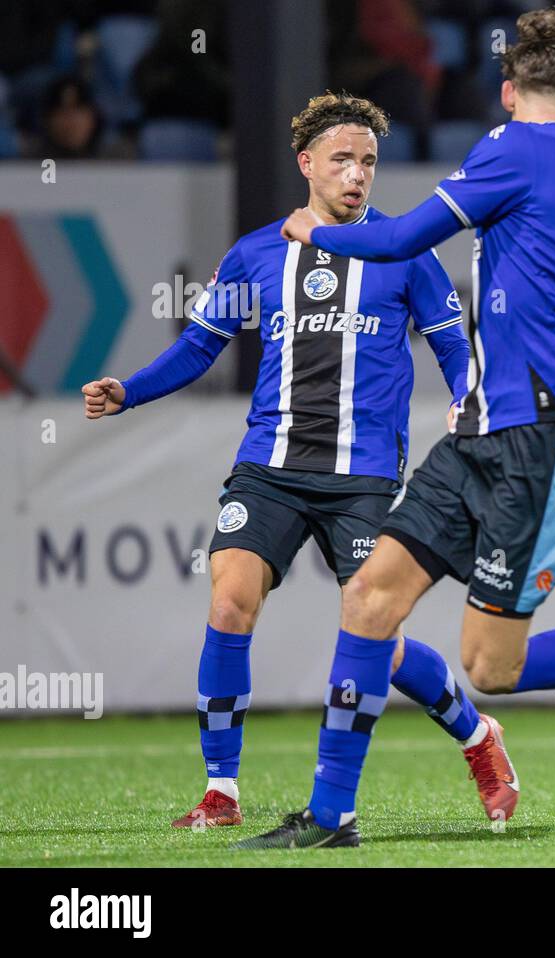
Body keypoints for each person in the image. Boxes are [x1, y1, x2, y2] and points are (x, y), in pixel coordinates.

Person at [235, 9, 555, 851]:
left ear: (509, 92)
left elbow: (403, 238)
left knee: (492, 666)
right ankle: (331, 817)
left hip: (543, 439)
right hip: (487, 428)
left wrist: (317, 231)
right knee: (371, 597)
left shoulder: (509, 146)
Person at [81, 92, 520, 830]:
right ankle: (221, 792)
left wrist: (468, 400)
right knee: (229, 601)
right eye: (343, 159)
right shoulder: (255, 253)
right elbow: (199, 347)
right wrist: (128, 391)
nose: (358, 174)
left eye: (369, 161)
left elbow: (453, 345)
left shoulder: (405, 249)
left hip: (363, 473)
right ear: (307, 163)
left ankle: (477, 735)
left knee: (378, 635)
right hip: (271, 464)